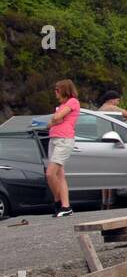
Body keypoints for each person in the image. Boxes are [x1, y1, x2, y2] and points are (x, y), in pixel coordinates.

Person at [45, 79, 80, 217]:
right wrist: (56, 119)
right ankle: (66, 206)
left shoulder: (72, 101)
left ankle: (58, 201)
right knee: (60, 176)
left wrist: (56, 119)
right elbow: (50, 123)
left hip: (64, 140)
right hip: (54, 138)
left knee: (50, 173)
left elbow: (57, 117)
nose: (55, 92)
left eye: (57, 89)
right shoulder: (61, 105)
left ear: (64, 90)